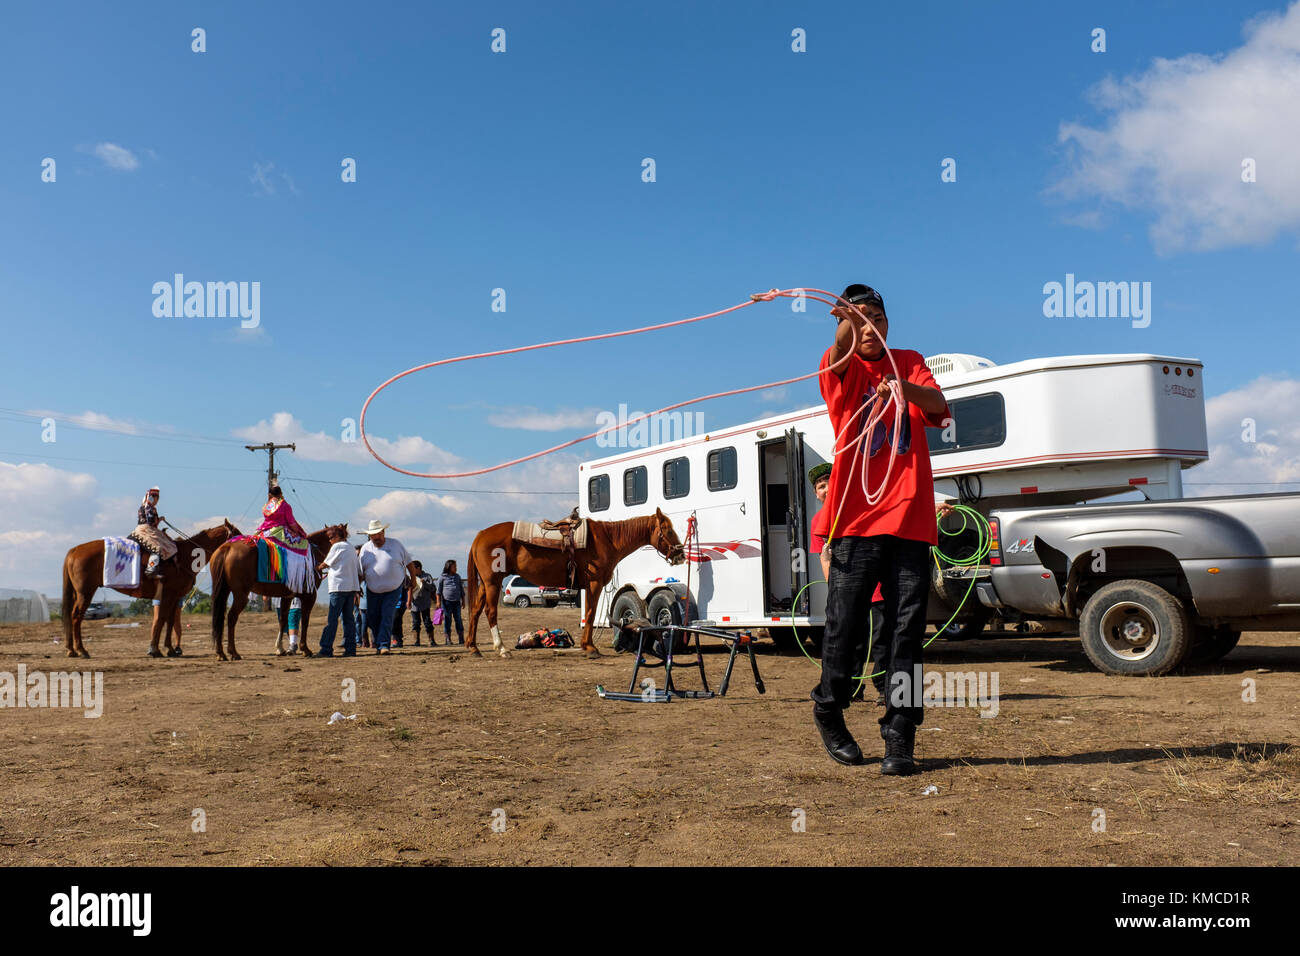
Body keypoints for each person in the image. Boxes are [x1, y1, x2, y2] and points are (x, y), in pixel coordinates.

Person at [813, 283, 949, 776]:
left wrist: (902, 387)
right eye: (858, 319)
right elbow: (843, 347)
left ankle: (900, 735)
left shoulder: (908, 360)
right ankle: (828, 707)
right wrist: (848, 318)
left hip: (910, 521)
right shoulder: (842, 367)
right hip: (855, 520)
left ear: (890, 324)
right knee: (844, 626)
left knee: (905, 635)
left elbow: (935, 404)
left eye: (878, 318)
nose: (869, 328)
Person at [808, 462, 888, 705]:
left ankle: (886, 690)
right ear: (815, 494)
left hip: (876, 589)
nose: (825, 489)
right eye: (820, 486)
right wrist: (834, 590)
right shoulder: (818, 521)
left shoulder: (860, 508)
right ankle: (852, 689)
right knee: (852, 641)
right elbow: (824, 557)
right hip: (845, 592)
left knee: (883, 641)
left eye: (829, 483)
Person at [357, 519, 419, 655]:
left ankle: (384, 645)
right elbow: (361, 571)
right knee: (373, 617)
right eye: (372, 535)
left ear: (383, 532)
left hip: (394, 588)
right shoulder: (365, 549)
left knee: (387, 615)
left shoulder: (396, 545)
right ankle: (379, 644)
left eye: (378, 534)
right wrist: (357, 586)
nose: (375, 537)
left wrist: (413, 579)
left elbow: (409, 563)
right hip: (372, 589)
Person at [317, 525, 360, 657]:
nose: (329, 541)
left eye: (330, 538)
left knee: (332, 619)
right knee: (349, 619)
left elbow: (325, 564)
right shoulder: (350, 547)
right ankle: (350, 649)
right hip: (351, 587)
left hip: (338, 587)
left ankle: (326, 649)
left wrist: (316, 567)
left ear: (337, 536)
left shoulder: (337, 546)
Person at [131, 486, 178, 578]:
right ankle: (151, 568)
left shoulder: (144, 506)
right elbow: (151, 521)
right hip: (146, 530)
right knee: (158, 547)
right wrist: (159, 519)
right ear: (153, 498)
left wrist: (159, 519)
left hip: (143, 528)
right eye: (157, 498)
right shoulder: (149, 507)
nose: (157, 501)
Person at [435, 559, 467, 646]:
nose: (456, 568)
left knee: (458, 620)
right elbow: (438, 591)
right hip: (446, 603)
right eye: (454, 567)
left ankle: (461, 639)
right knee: (447, 620)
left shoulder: (457, 576)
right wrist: (438, 602)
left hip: (456, 602)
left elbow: (461, 590)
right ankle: (448, 639)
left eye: (456, 566)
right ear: (449, 567)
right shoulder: (442, 577)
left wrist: (463, 601)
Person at [408, 560, 436, 645]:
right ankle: (416, 641)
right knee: (416, 623)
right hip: (414, 604)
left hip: (425, 604)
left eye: (413, 568)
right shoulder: (410, 577)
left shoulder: (427, 576)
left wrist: (424, 583)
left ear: (418, 568)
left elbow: (432, 588)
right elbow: (408, 589)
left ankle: (431, 640)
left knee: (427, 622)